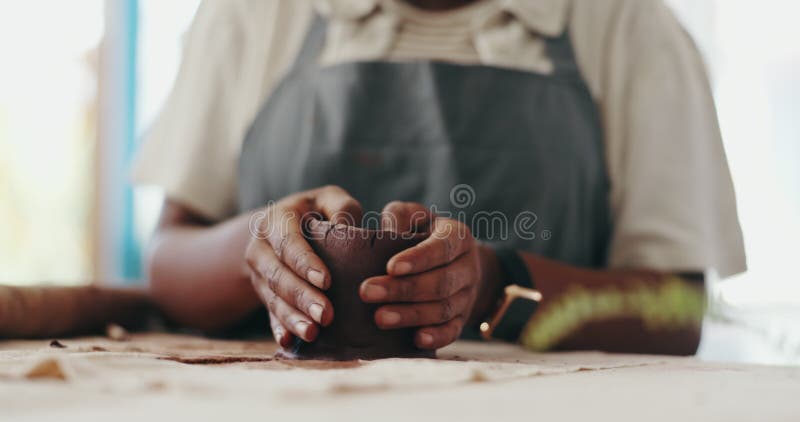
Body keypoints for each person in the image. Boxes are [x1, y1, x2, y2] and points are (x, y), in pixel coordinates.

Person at [133, 0, 746, 355]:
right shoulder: (254, 15)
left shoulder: (629, 26)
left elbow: (677, 308)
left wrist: (496, 285)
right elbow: (166, 262)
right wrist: (258, 248)